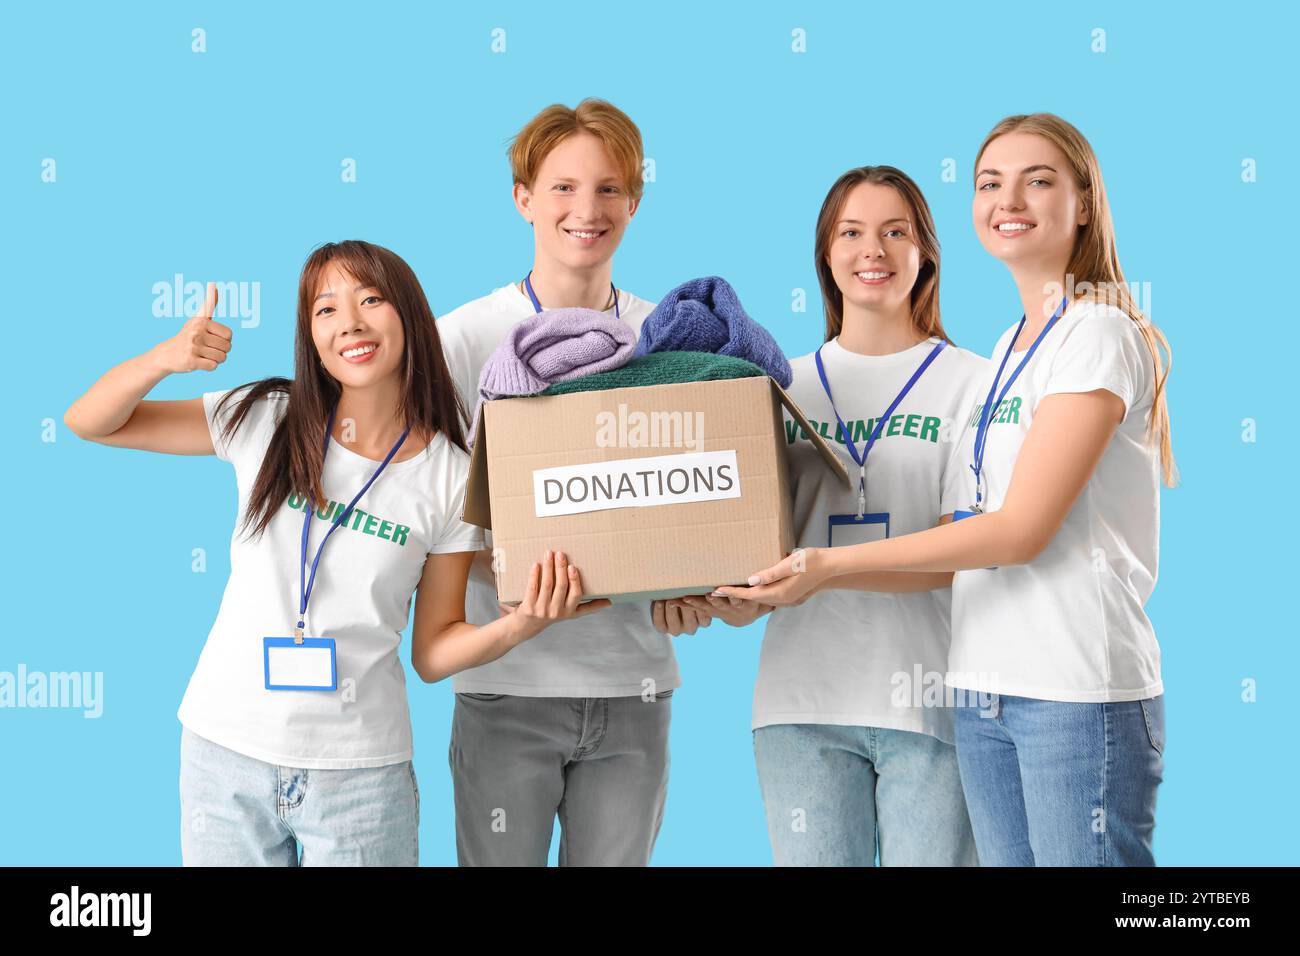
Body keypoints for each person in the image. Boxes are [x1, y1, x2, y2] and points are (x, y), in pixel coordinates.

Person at [716, 114, 1175, 867]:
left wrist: (824, 568)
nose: (1009, 199)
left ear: (1085, 202)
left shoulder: (1088, 335)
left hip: (1064, 687)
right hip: (982, 689)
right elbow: (972, 536)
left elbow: (1015, 531)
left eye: (1039, 180)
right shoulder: (1009, 352)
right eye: (991, 183)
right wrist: (740, 590)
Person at [63, 239, 604, 866]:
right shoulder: (264, 418)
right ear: (311, 335)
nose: (350, 321)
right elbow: (90, 421)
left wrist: (522, 623)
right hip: (224, 753)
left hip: (360, 777)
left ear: (408, 316)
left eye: (370, 298)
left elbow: (433, 653)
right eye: (326, 309)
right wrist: (166, 358)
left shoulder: (452, 478)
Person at [660, 167, 988, 865]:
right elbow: (752, 551)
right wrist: (715, 597)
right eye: (852, 233)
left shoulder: (975, 383)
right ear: (826, 255)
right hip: (799, 704)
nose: (873, 249)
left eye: (894, 232)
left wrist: (824, 573)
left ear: (925, 252)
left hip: (931, 704)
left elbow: (973, 551)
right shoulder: (778, 387)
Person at [436, 99, 700, 867]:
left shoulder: (670, 343)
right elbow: (432, 506)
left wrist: (699, 587)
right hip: (506, 685)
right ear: (522, 198)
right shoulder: (463, 341)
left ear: (635, 201)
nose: (588, 210)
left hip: (635, 686)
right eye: (563, 188)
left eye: (610, 189)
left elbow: (700, 497)